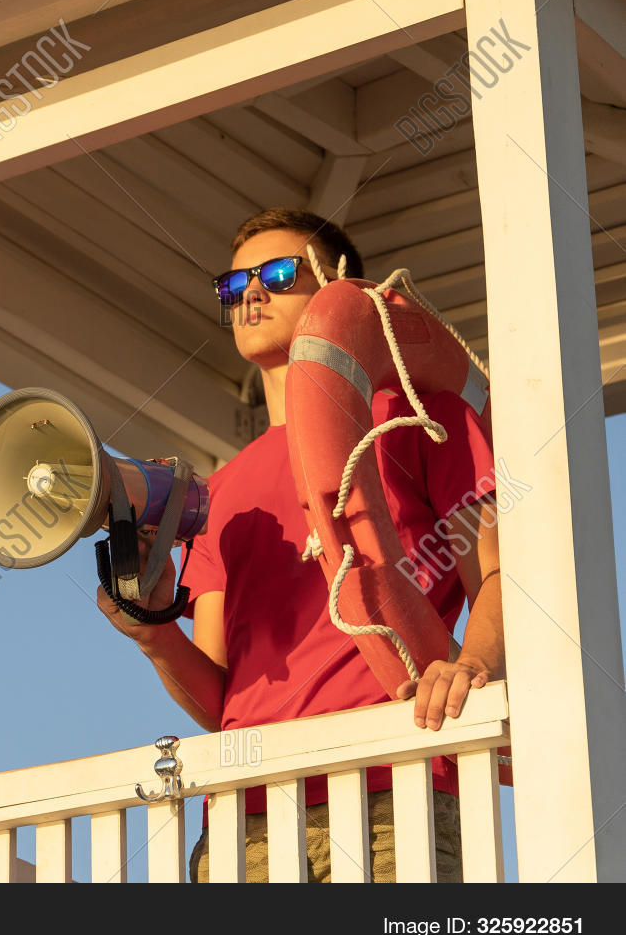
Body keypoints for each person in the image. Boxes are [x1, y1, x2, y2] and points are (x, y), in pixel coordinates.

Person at [97, 207, 504, 882]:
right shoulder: (220, 490)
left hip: (390, 788)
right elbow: (223, 695)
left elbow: (499, 573)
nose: (251, 294)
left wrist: (474, 663)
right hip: (243, 816)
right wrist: (154, 636)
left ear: (341, 286)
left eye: (280, 274)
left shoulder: (419, 423)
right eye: (233, 286)